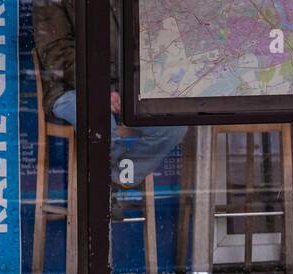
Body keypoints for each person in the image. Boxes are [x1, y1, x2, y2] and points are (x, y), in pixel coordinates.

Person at [33, 0, 185, 214]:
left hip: (124, 87)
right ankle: (105, 191)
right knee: (98, 119)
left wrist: (136, 86)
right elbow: (55, 51)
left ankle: (113, 179)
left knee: (172, 126)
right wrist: (97, 85)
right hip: (70, 88)